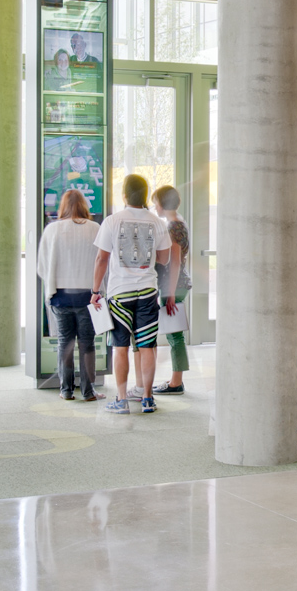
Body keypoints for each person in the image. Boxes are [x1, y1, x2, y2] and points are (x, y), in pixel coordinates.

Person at [93, 174, 172, 415]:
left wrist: (95, 291)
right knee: (147, 346)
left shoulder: (112, 221)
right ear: (146, 195)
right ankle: (148, 399)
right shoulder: (157, 222)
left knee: (120, 348)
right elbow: (164, 258)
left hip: (119, 293)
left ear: (124, 195)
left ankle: (121, 400)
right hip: (148, 291)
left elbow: (101, 259)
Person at [39, 189, 102, 401]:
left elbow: (42, 267)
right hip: (88, 296)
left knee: (65, 343)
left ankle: (66, 390)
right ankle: (88, 391)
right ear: (84, 205)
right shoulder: (95, 228)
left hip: (60, 296)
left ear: (63, 206)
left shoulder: (52, 229)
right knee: (87, 343)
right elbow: (103, 263)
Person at [153, 184, 191, 395]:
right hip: (177, 284)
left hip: (174, 285)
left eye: (156, 202)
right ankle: (176, 379)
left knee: (174, 336)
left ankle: (176, 382)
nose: (154, 206)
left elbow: (174, 262)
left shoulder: (173, 226)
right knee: (174, 334)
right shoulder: (179, 221)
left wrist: (168, 292)